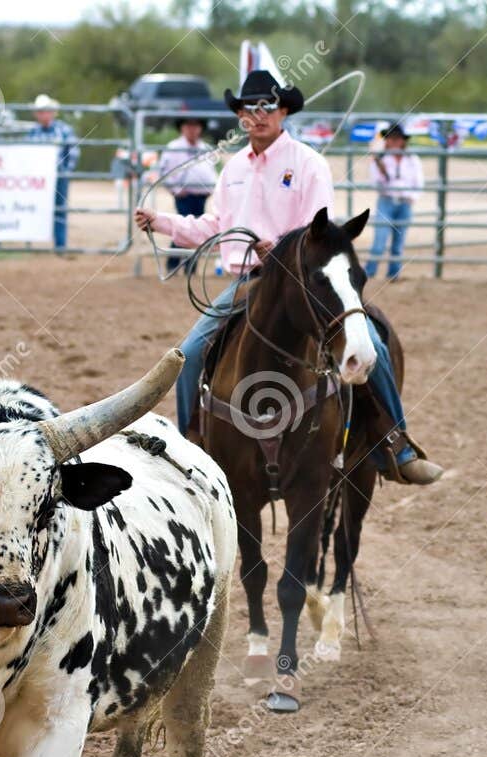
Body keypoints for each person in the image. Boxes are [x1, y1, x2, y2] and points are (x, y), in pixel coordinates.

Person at [134, 70, 441, 485]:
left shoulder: (308, 163)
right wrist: (163, 223)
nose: (258, 115)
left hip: (305, 283)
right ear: (240, 115)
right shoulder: (233, 169)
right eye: (249, 108)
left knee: (373, 346)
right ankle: (194, 447)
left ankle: (395, 443)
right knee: (188, 356)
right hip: (250, 283)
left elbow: (318, 232)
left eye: (267, 107)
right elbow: (217, 225)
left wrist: (278, 248)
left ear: (282, 112)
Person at [156, 117, 217, 271]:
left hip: (201, 195)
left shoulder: (205, 147)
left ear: (200, 128)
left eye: (196, 125)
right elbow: (164, 172)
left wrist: (210, 188)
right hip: (184, 195)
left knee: (198, 231)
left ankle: (191, 267)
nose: (192, 129)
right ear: (182, 128)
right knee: (181, 228)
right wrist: (175, 190)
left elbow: (211, 170)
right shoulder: (174, 147)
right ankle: (173, 265)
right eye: (188, 125)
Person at [363, 121, 422, 281]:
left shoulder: (412, 159)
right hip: (386, 200)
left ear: (403, 141)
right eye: (390, 138)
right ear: (386, 141)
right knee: (379, 242)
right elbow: (375, 183)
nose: (394, 141)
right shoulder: (380, 159)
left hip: (405, 202)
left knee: (398, 244)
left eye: (397, 138)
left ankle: (394, 274)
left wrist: (412, 198)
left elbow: (419, 182)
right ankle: (369, 272)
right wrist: (382, 174)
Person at [26, 94, 79, 251]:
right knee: (34, 207)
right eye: (40, 111)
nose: (44, 115)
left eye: (47, 111)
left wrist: (67, 170)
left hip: (59, 174)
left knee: (59, 209)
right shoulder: (33, 132)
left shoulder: (64, 130)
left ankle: (60, 245)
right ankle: (31, 243)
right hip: (38, 176)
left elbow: (74, 151)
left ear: (53, 112)